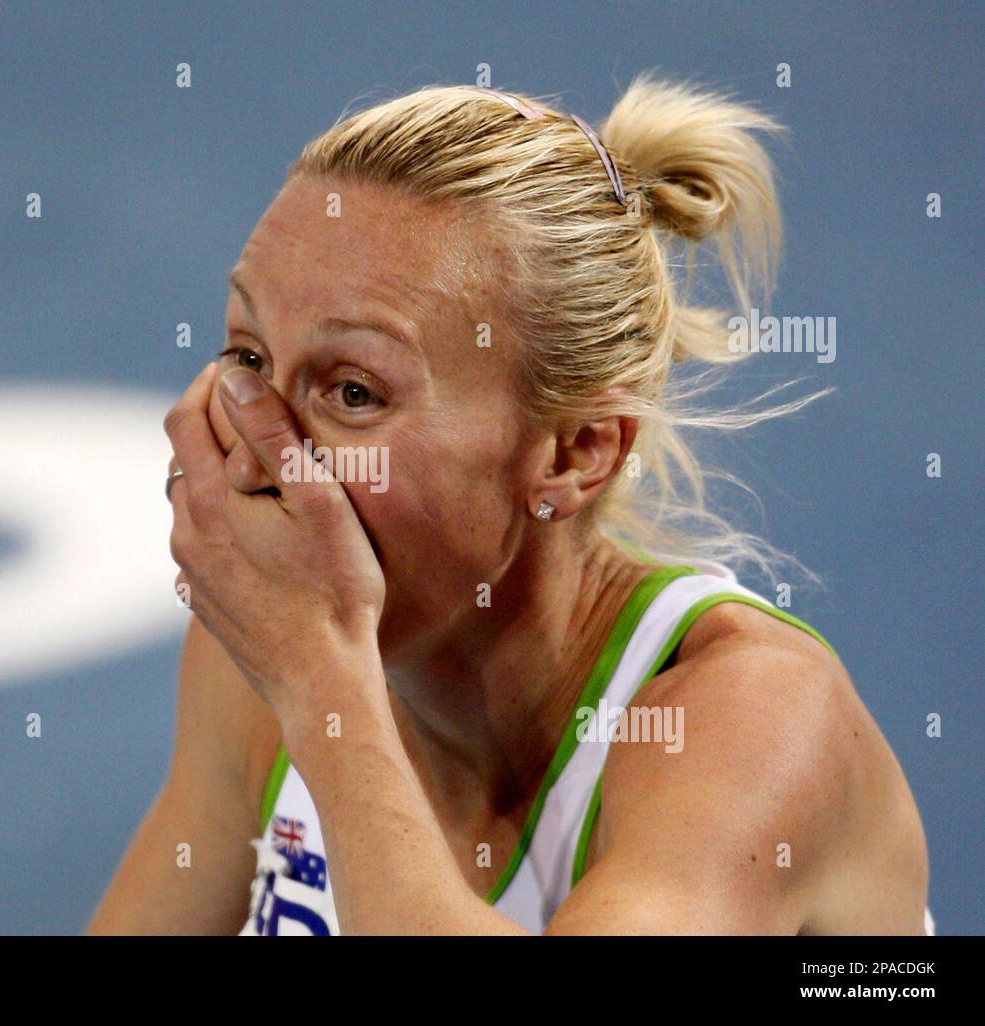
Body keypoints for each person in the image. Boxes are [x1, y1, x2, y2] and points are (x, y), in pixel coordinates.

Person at [88, 76, 931, 935]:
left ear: (575, 452)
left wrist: (319, 683)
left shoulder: (755, 722)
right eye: (250, 357)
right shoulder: (262, 658)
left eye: (352, 391)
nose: (261, 451)